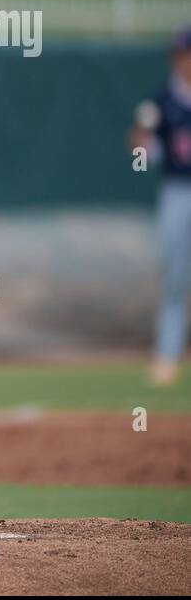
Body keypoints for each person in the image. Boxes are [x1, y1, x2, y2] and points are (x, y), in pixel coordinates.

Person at [129, 27, 191, 388]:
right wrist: (141, 145)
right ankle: (168, 355)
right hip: (177, 191)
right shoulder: (161, 102)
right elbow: (144, 153)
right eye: (184, 55)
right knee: (174, 277)